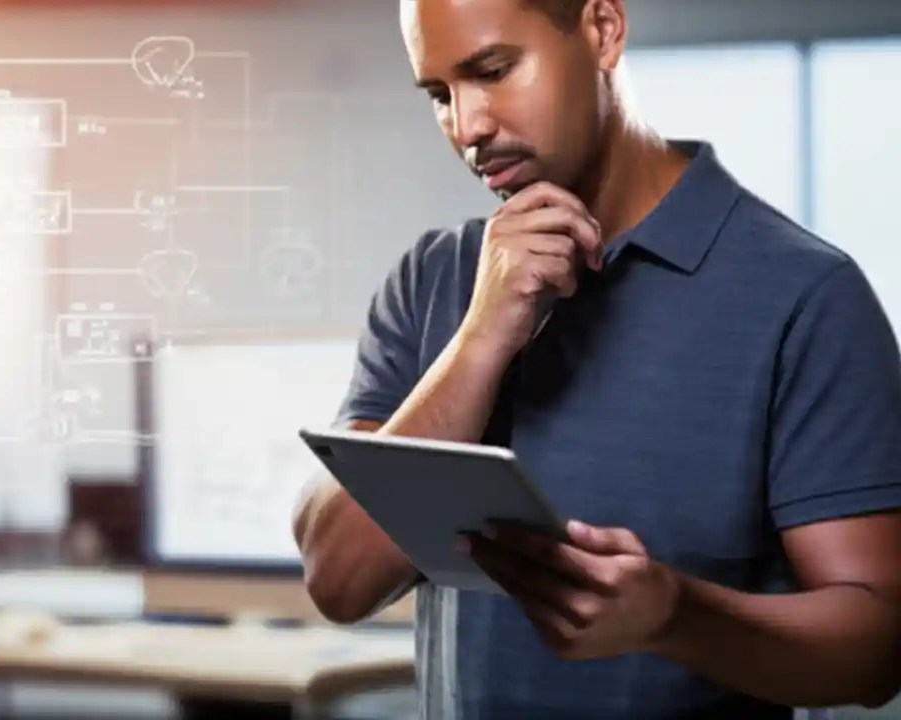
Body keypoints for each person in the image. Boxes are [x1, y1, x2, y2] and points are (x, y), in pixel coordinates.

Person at [291, 0, 901, 717]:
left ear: (603, 30)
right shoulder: (435, 277)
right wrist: (483, 336)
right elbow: (338, 579)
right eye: (439, 94)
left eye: (493, 70)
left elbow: (879, 651)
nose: (467, 126)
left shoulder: (806, 294)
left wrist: (675, 616)